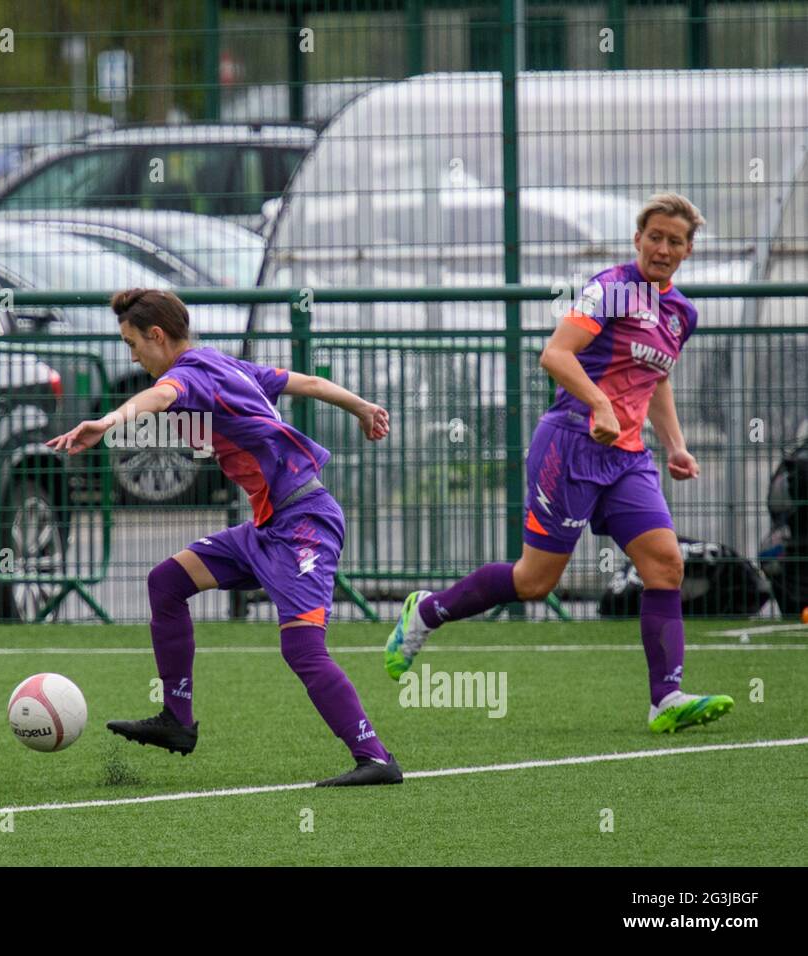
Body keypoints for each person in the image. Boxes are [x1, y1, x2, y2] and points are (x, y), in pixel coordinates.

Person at [385, 193, 735, 734]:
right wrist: (598, 403)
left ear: (689, 250)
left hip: (627, 458)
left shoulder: (681, 312)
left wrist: (675, 445)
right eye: (655, 237)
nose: (663, 248)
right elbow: (556, 354)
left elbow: (656, 377)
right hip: (570, 443)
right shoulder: (613, 289)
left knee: (666, 565)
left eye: (675, 241)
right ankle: (426, 612)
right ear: (637, 239)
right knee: (534, 582)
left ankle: (665, 700)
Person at [47, 289, 402, 786]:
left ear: (157, 335)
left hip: (304, 525)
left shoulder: (187, 375)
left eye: (132, 344)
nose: (132, 356)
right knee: (167, 583)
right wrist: (361, 406)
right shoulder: (223, 364)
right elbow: (312, 382)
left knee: (302, 649)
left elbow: (160, 397)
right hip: (266, 529)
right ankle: (178, 720)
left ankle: (377, 758)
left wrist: (106, 422)